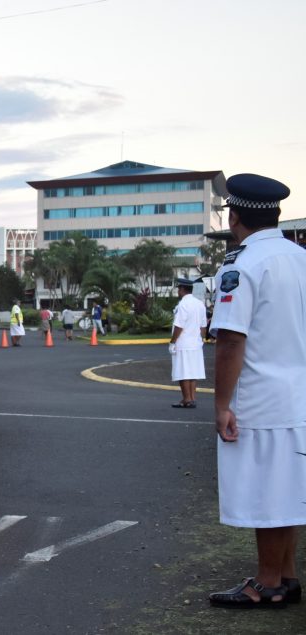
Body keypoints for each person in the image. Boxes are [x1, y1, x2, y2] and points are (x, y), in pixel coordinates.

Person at [206, 173, 305, 609]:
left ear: (235, 217)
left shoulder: (242, 265)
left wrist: (221, 404)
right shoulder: (300, 257)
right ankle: (287, 576)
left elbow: (231, 339)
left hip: (262, 398)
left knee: (268, 493)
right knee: (288, 489)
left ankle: (266, 583)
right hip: (299, 395)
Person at [169, 278, 206, 409]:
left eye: (179, 289)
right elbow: (203, 326)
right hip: (195, 343)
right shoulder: (200, 304)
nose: (178, 291)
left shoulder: (183, 305)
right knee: (192, 372)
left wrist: (173, 342)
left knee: (183, 372)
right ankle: (192, 398)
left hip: (183, 342)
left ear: (182, 289)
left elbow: (179, 325)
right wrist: (201, 339)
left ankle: (186, 399)